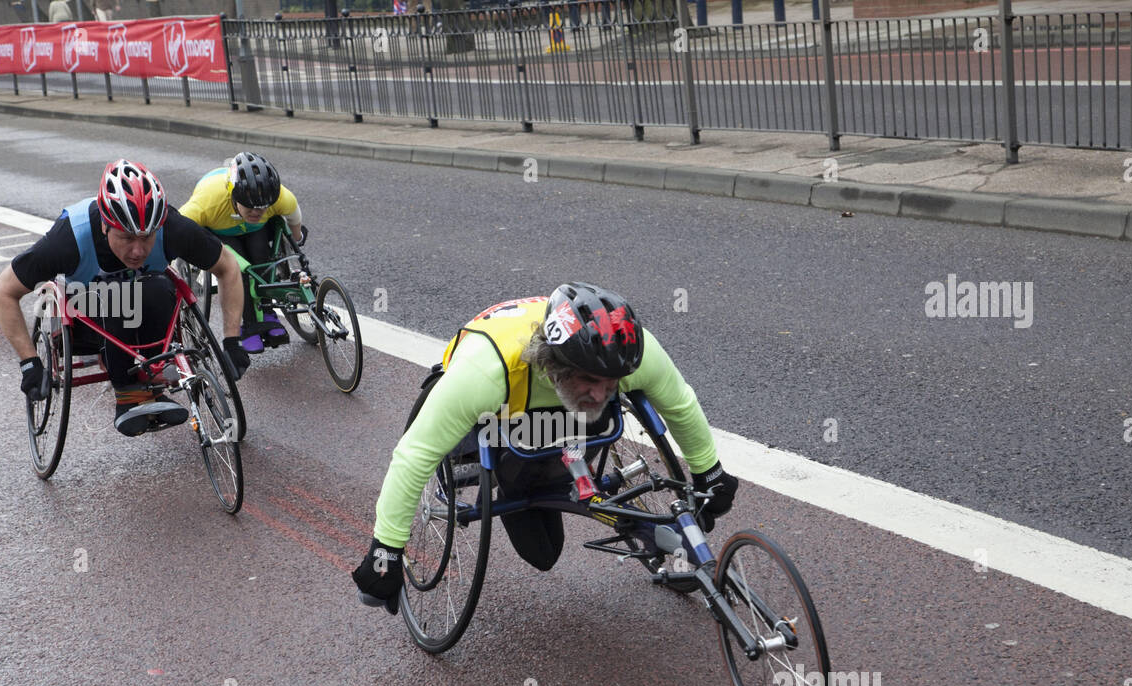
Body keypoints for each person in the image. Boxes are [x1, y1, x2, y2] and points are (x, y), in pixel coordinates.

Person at [352, 282, 741, 614]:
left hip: (563, 420)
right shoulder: (487, 372)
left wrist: (709, 471)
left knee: (582, 434)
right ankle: (522, 487)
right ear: (555, 362)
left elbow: (679, 403)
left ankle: (554, 475)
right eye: (590, 380)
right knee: (543, 552)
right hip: (502, 415)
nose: (602, 392)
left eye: (612, 383)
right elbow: (414, 454)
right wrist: (386, 548)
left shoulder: (630, 353)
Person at [0, 159, 250, 436]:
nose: (138, 250)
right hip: (84, 320)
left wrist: (232, 341)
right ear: (105, 225)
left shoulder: (171, 227)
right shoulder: (68, 238)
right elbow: (2, 292)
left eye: (147, 238)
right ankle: (128, 394)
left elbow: (228, 266)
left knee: (161, 287)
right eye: (126, 238)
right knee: (117, 296)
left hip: (149, 309)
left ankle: (153, 374)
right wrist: (29, 362)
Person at [179, 151, 304, 354]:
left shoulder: (278, 196)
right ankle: (249, 324)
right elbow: (179, 229)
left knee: (262, 258)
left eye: (262, 207)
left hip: (256, 231)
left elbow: (293, 215)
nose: (256, 211)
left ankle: (267, 312)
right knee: (238, 269)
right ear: (234, 195)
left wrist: (296, 239)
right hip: (220, 229)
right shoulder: (207, 201)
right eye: (251, 207)